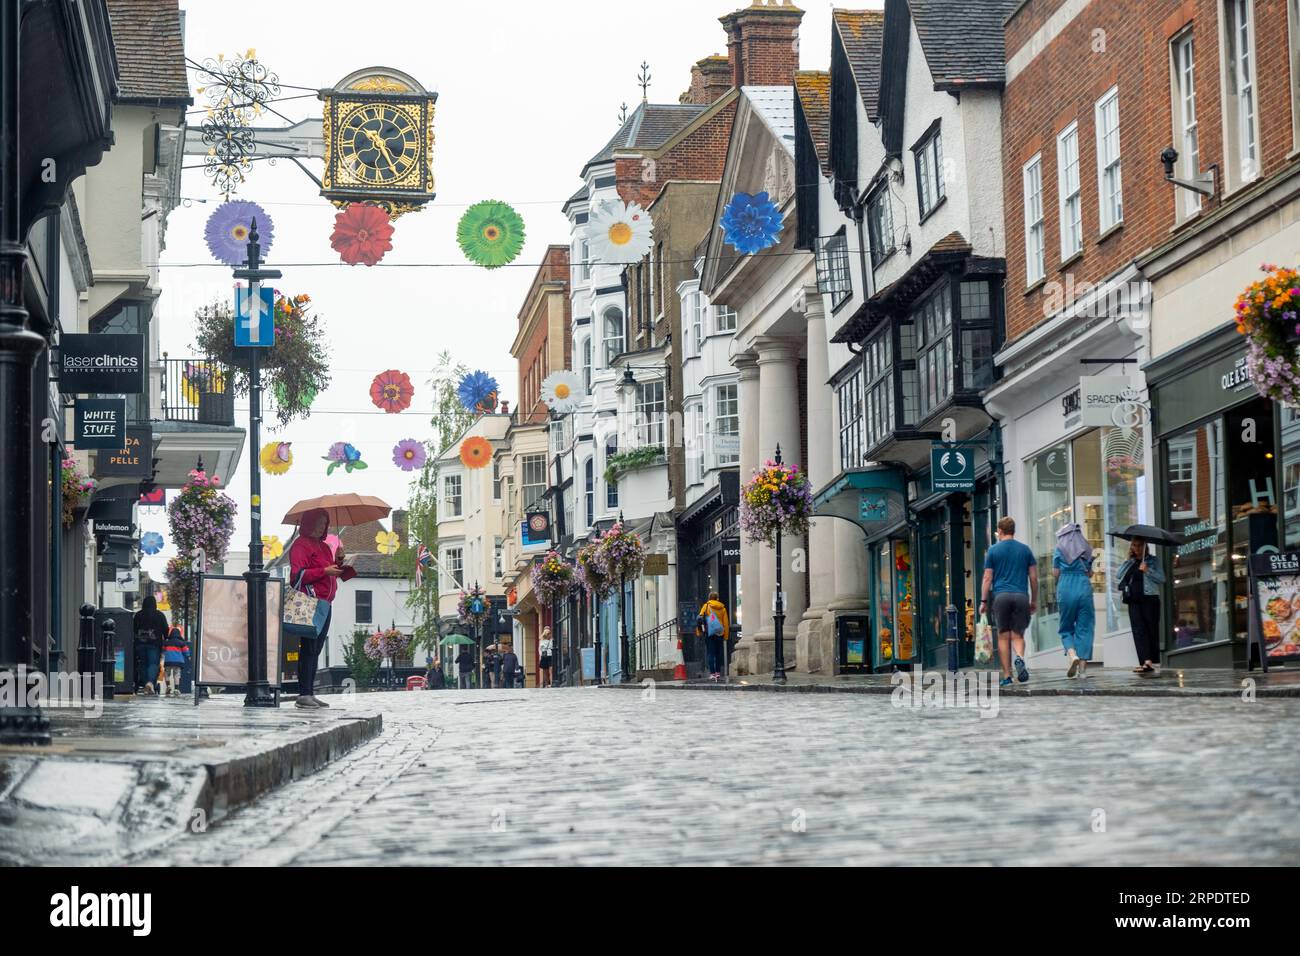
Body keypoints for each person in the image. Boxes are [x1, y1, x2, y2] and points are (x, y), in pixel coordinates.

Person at [288, 508, 343, 709]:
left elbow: (329, 572)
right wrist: (324, 570)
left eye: (324, 523)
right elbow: (297, 575)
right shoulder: (300, 545)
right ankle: (304, 693)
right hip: (311, 602)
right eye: (319, 523)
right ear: (309, 523)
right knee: (309, 649)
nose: (322, 527)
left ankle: (309, 692)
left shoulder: (325, 547)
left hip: (326, 604)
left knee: (316, 649)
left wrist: (339, 562)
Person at [979, 516, 1038, 687]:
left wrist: (983, 601)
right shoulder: (1025, 550)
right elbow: (1033, 578)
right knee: (1018, 635)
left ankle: (1007, 676)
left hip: (1001, 597)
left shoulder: (993, 551)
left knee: (1004, 637)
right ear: (1014, 530)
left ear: (1001, 531)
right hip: (1021, 596)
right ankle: (1019, 658)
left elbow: (987, 577)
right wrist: (1033, 600)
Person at [1053, 523, 1095, 679]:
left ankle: (1072, 654)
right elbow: (1090, 573)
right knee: (1085, 627)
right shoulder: (1086, 548)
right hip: (1083, 587)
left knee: (1066, 627)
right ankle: (1082, 671)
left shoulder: (1059, 548)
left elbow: (1055, 572)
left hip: (1066, 586)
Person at [1117, 536, 1165, 674]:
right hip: (1134, 601)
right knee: (1138, 631)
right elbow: (1118, 574)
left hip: (1149, 599)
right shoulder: (1130, 562)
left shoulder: (1153, 561)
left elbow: (1162, 578)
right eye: (1134, 545)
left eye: (1139, 545)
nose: (1136, 548)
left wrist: (1147, 570)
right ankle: (1145, 662)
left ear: (1145, 546)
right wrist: (1128, 560)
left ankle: (1150, 661)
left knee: (1150, 629)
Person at [132, 595, 168, 696]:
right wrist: (166, 639)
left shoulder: (138, 615)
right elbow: (165, 630)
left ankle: (144, 684)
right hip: (154, 644)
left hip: (140, 643)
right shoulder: (159, 615)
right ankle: (150, 682)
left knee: (142, 663)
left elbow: (133, 629)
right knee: (153, 664)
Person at [696, 592, 730, 682]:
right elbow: (726, 623)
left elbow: (700, 619)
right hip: (720, 633)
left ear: (709, 598)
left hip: (709, 633)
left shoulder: (706, 606)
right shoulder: (722, 608)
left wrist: (699, 632)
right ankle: (718, 673)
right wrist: (726, 636)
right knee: (718, 654)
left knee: (711, 654)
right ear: (717, 598)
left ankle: (712, 674)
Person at [161, 625, 191, 697]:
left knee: (167, 673)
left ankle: (168, 686)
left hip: (168, 661)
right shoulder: (181, 643)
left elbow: (163, 651)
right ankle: (176, 689)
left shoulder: (166, 642)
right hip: (178, 662)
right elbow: (186, 651)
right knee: (176, 674)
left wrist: (162, 656)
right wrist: (188, 656)